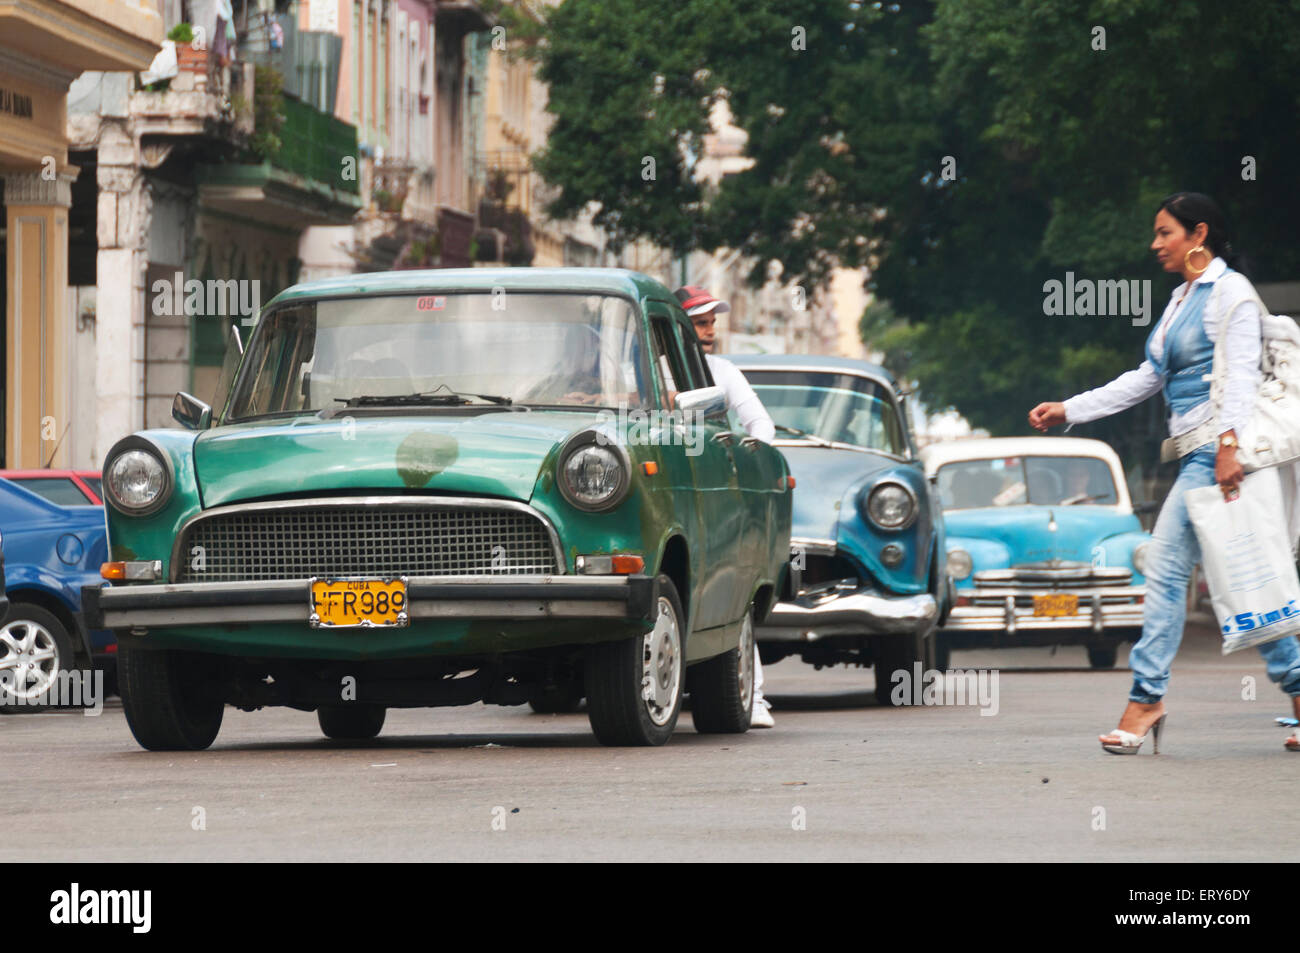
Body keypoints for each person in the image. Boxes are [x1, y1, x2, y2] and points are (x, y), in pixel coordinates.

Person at [1028, 192, 1300, 754]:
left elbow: (1242, 380)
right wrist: (1070, 409)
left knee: (1170, 571)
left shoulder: (1232, 295)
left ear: (1197, 233)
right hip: (1201, 455)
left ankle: (1147, 699)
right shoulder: (1181, 299)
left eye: (1164, 233)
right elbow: (1146, 377)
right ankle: (1296, 689)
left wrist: (1229, 449)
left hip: (1219, 457)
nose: (1155, 244)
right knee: (1243, 584)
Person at [675, 285, 777, 727]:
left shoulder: (723, 371)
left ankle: (751, 695)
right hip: (670, 496)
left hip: (715, 500)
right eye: (700, 323)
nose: (710, 331)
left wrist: (741, 458)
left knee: (731, 588)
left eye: (712, 322)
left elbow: (762, 426)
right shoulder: (642, 375)